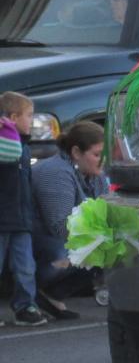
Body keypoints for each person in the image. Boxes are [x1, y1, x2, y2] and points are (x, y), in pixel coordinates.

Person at [31, 120, 110, 319]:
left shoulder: (95, 174)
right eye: (97, 154)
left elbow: (107, 211)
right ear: (76, 152)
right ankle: (37, 287)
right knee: (94, 248)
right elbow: (60, 226)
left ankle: (52, 294)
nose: (103, 160)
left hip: (60, 238)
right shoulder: (55, 172)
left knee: (117, 243)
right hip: (39, 241)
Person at [0, 91, 49, 327]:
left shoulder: (24, 147)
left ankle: (25, 306)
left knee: (25, 266)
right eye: (29, 115)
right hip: (3, 217)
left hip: (21, 218)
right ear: (13, 117)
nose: (31, 120)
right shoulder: (5, 147)